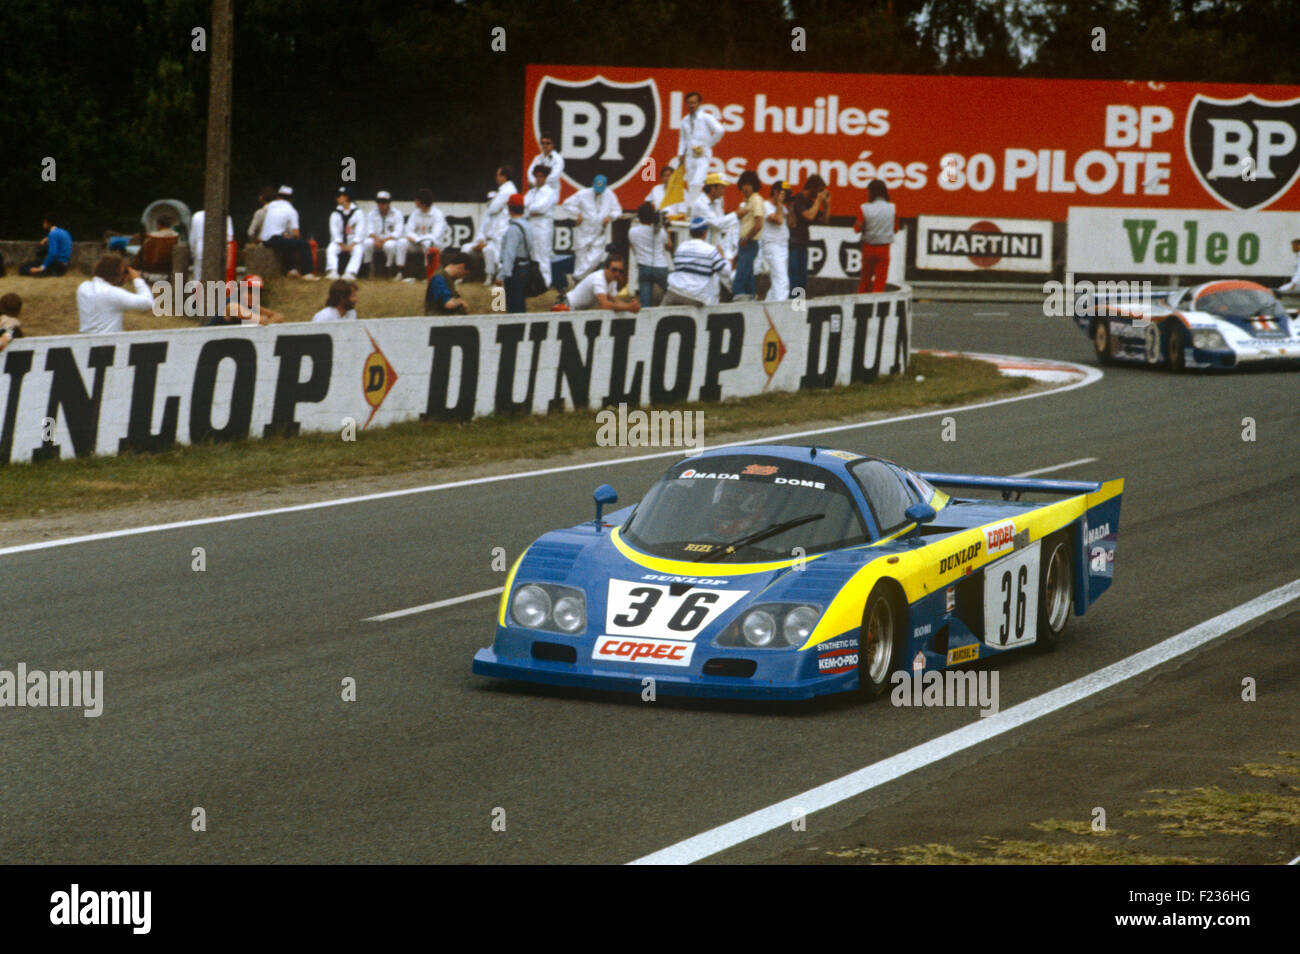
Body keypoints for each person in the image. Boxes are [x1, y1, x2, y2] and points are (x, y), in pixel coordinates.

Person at [462, 166, 517, 285]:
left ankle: (500, 280)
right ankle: (464, 275)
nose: (496, 177)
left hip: (500, 235)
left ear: (504, 176)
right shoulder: (503, 192)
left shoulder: (507, 190)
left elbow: (493, 208)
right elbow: (483, 227)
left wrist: (485, 243)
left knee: (498, 256)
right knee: (469, 248)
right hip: (492, 237)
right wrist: (480, 241)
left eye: (498, 175)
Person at [663, 216, 733, 307]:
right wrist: (723, 256)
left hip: (673, 292)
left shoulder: (681, 247)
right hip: (695, 296)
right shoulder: (710, 251)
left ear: (690, 232)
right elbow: (726, 271)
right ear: (705, 233)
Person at [76, 254, 155, 334]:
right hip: (109, 344)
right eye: (125, 272)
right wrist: (137, 279)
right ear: (117, 274)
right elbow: (148, 302)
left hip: (86, 342)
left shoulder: (83, 287)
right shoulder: (112, 293)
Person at [562, 174, 621, 279]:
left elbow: (618, 211)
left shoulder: (610, 195)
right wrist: (577, 213)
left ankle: (576, 277)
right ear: (592, 184)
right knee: (580, 261)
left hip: (599, 232)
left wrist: (610, 217)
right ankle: (579, 288)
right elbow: (567, 204)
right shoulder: (583, 194)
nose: (598, 192)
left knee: (595, 259)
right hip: (583, 231)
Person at [677, 91, 724, 209]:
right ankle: (693, 208)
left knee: (697, 182)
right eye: (689, 103)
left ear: (699, 103)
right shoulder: (685, 120)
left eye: (694, 103)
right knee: (690, 182)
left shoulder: (706, 117)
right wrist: (681, 153)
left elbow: (720, 130)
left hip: (702, 155)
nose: (691, 105)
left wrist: (708, 144)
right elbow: (682, 139)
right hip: (689, 156)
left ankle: (691, 209)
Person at [260, 186, 318, 279]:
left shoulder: (271, 205)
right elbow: (296, 233)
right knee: (304, 245)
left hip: (264, 239)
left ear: (278, 197)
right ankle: (308, 273)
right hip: (273, 239)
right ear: (291, 199)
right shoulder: (291, 210)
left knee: (287, 242)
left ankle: (292, 269)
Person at [788, 175, 830, 297]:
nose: (820, 194)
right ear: (813, 188)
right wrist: (818, 201)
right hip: (793, 244)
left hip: (802, 244)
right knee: (794, 279)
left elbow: (825, 220)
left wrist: (826, 204)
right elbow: (809, 216)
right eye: (820, 190)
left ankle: (799, 306)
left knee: (802, 280)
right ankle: (792, 306)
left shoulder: (810, 202)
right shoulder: (798, 200)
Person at [855, 179, 898, 293]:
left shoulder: (864, 208)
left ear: (871, 193)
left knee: (865, 280)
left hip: (868, 247)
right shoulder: (892, 208)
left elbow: (857, 229)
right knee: (880, 282)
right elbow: (895, 228)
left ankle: (860, 305)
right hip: (884, 249)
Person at [628, 202, 672, 307]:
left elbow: (633, 249)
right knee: (673, 291)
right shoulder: (660, 231)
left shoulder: (632, 231)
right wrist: (667, 229)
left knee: (645, 302)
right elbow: (669, 246)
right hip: (660, 266)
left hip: (643, 266)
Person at [495, 194, 533, 314]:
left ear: (509, 208)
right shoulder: (528, 225)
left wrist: (502, 275)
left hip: (515, 270)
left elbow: (509, 254)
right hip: (525, 267)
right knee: (520, 303)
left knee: (513, 306)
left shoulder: (513, 229)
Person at [403, 188, 450, 281]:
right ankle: (400, 272)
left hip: (435, 245)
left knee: (427, 243)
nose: (414, 202)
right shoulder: (415, 213)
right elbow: (408, 230)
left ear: (422, 202)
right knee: (402, 242)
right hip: (417, 242)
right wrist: (416, 239)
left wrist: (421, 240)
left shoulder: (438, 214)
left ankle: (428, 274)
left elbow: (436, 235)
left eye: (416, 200)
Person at [732, 170, 765, 301]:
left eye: (749, 184)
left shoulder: (756, 199)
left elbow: (759, 223)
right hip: (745, 242)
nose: (745, 188)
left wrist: (747, 238)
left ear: (754, 185)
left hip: (749, 242)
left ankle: (736, 297)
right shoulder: (747, 201)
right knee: (748, 274)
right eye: (743, 184)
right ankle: (751, 297)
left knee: (741, 274)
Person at [567, 255, 640, 313]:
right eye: (614, 270)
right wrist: (628, 307)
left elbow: (617, 302)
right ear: (606, 268)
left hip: (576, 309)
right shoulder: (598, 279)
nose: (617, 274)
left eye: (620, 271)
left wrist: (631, 306)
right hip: (567, 306)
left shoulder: (612, 280)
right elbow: (605, 305)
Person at [523, 165, 558, 287]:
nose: (539, 179)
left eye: (541, 176)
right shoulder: (532, 192)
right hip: (531, 225)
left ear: (546, 177)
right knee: (532, 255)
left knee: (543, 255)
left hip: (543, 228)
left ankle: (546, 282)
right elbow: (523, 205)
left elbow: (540, 208)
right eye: (537, 176)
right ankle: (536, 281)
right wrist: (529, 208)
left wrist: (529, 208)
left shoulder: (550, 192)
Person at [363, 190, 406, 278]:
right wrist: (376, 239)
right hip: (376, 239)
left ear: (389, 203)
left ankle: (389, 269)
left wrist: (384, 240)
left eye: (384, 202)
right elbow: (369, 230)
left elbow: (398, 231)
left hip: (390, 239)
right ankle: (369, 268)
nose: (381, 204)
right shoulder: (372, 214)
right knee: (367, 243)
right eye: (379, 202)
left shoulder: (397, 214)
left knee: (389, 246)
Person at [325, 186, 365, 280]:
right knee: (331, 248)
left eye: (340, 196)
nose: (337, 198)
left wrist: (352, 244)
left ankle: (350, 272)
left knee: (358, 250)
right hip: (340, 242)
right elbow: (334, 231)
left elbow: (360, 230)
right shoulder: (335, 213)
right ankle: (332, 270)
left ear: (347, 197)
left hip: (352, 242)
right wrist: (341, 244)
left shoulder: (358, 213)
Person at [761, 181, 790, 302]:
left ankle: (767, 308)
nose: (785, 196)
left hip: (783, 245)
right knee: (781, 279)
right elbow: (778, 220)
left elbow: (792, 223)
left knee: (777, 281)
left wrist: (790, 206)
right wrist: (779, 203)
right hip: (772, 244)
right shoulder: (766, 205)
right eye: (783, 193)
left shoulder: (782, 207)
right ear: (775, 192)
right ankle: (780, 308)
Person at [190, 208, 234, 283]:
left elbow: (192, 236)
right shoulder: (226, 217)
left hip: (200, 248)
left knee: (199, 275)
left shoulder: (197, 216)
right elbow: (229, 238)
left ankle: (198, 292)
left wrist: (192, 251)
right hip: (218, 250)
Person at [425, 250, 471, 315]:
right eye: (465, 274)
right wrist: (460, 302)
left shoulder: (448, 278)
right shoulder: (438, 278)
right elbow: (448, 304)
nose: (463, 277)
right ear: (461, 266)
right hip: (437, 320)